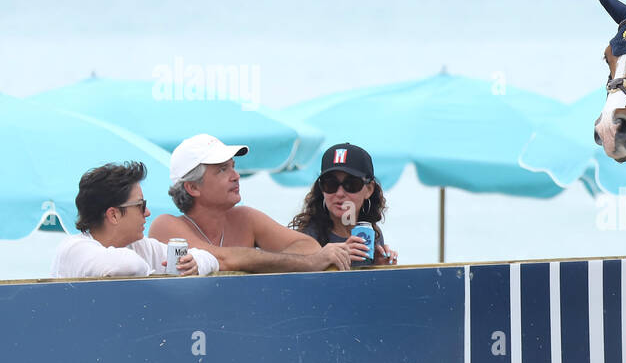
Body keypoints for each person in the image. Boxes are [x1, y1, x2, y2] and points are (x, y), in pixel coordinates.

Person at [148, 134, 354, 272]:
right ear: (193, 187)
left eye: (233, 166)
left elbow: (308, 247)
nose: (236, 176)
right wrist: (309, 263)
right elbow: (222, 259)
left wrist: (259, 261)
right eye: (222, 169)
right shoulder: (165, 225)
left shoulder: (245, 217)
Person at [51, 161, 219, 278]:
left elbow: (209, 258)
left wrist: (194, 264)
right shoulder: (73, 248)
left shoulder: (140, 246)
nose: (147, 212)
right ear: (113, 215)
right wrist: (153, 275)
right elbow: (127, 265)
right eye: (141, 205)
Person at [288, 143, 398, 265]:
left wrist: (379, 267)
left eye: (351, 184)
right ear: (321, 189)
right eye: (331, 184)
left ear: (369, 189)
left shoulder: (371, 234)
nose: (340, 193)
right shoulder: (306, 237)